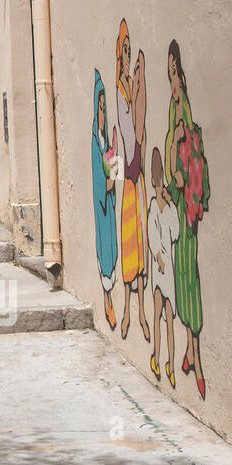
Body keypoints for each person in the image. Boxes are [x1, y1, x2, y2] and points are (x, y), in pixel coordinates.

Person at [165, 39, 210, 399]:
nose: (173, 81)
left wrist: (182, 180)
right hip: (178, 208)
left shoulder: (186, 111)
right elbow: (170, 164)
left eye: (175, 73)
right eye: (169, 76)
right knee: (181, 278)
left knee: (189, 277)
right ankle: (191, 351)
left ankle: (194, 352)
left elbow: (191, 157)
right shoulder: (172, 110)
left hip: (188, 211)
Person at [115, 21, 150, 341]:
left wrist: (139, 88)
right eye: (124, 51)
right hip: (129, 181)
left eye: (129, 51)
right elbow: (134, 137)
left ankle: (138, 315)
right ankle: (128, 313)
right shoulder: (122, 92)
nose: (127, 57)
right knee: (131, 254)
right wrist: (137, 90)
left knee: (141, 253)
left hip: (136, 180)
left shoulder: (129, 88)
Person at [146, 146, 179, 387]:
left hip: (168, 269)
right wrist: (158, 255)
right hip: (160, 270)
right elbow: (152, 237)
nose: (159, 183)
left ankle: (169, 363)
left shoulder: (168, 208)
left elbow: (175, 233)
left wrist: (172, 203)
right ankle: (158, 358)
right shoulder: (153, 209)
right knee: (159, 315)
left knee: (166, 316)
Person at [92, 70, 119, 329]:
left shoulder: (105, 142)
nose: (102, 113)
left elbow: (112, 179)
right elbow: (106, 183)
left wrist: (114, 156)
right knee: (105, 254)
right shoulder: (95, 144)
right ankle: (108, 300)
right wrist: (115, 160)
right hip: (102, 212)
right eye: (99, 108)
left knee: (112, 253)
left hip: (108, 211)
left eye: (104, 108)